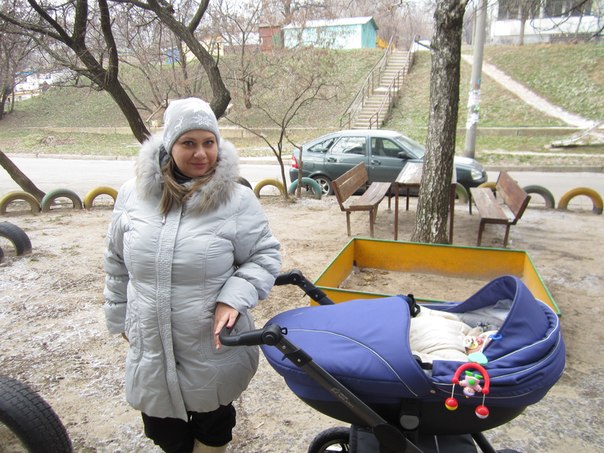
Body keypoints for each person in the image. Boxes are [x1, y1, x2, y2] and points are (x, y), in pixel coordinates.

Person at [103, 97, 282, 453]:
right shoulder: (132, 194)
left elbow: (264, 256)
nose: (201, 153)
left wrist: (233, 298)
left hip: (209, 344)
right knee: (162, 429)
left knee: (213, 427)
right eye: (188, 143)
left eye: (208, 142)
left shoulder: (237, 200)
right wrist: (120, 317)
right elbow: (116, 261)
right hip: (151, 342)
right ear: (170, 145)